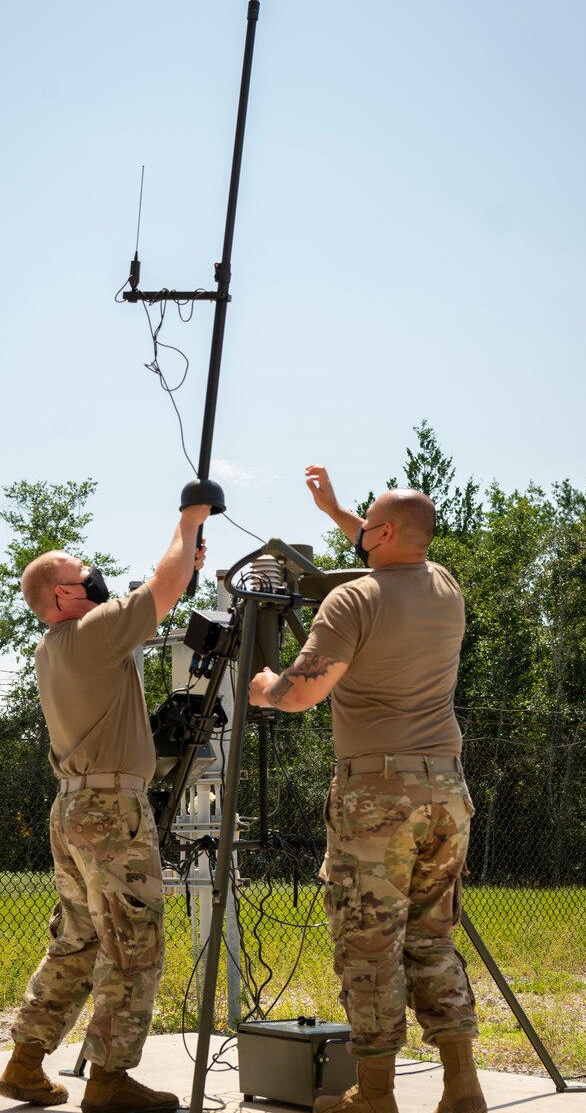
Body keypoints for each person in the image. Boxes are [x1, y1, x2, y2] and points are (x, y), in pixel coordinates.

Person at [249, 466, 486, 1113]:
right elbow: (391, 544)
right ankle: (462, 1088)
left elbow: (301, 693)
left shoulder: (352, 601)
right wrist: (337, 512)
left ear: (381, 534)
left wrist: (261, 684)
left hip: (377, 797)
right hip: (446, 790)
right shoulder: (444, 587)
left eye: (366, 527)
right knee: (432, 939)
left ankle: (374, 1096)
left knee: (369, 943)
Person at [0, 503, 211, 1113]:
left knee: (80, 940)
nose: (92, 574)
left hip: (75, 810)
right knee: (134, 944)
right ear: (62, 595)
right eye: (80, 571)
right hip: (112, 810)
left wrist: (182, 562)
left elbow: (164, 587)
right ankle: (110, 1080)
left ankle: (26, 1061)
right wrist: (188, 521)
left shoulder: (55, 646)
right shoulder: (90, 633)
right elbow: (163, 587)